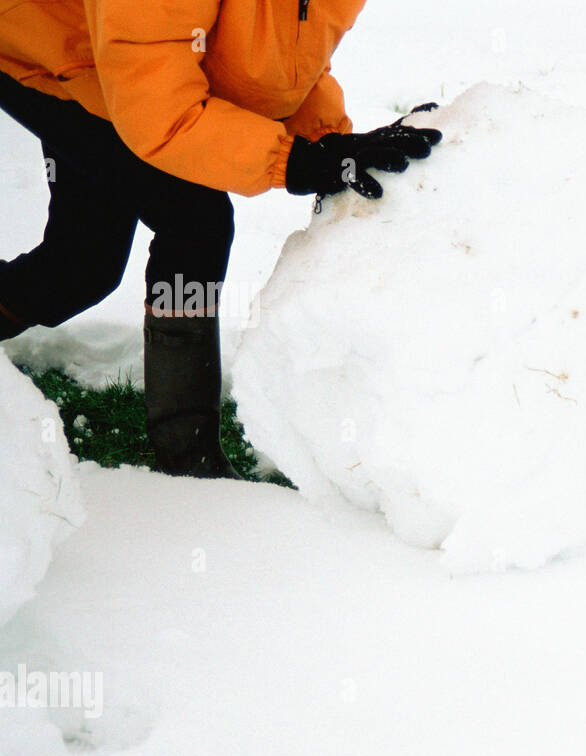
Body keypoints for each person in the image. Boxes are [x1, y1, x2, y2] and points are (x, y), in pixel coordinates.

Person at [0, 0, 440, 477]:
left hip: (121, 57)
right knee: (193, 220)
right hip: (40, 48)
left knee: (83, 264)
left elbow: (283, 55)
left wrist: (327, 140)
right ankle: (190, 460)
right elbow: (161, 110)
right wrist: (295, 162)